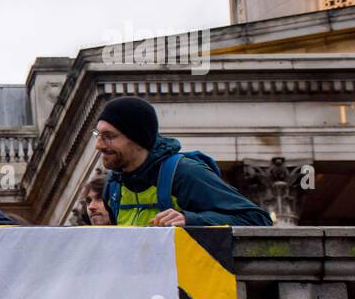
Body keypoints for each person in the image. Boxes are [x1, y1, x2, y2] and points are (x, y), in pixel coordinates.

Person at [94, 96, 272, 226]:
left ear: (138, 139)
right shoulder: (113, 183)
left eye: (109, 136)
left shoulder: (184, 173)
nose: (98, 145)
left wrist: (190, 220)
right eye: (98, 135)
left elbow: (257, 220)